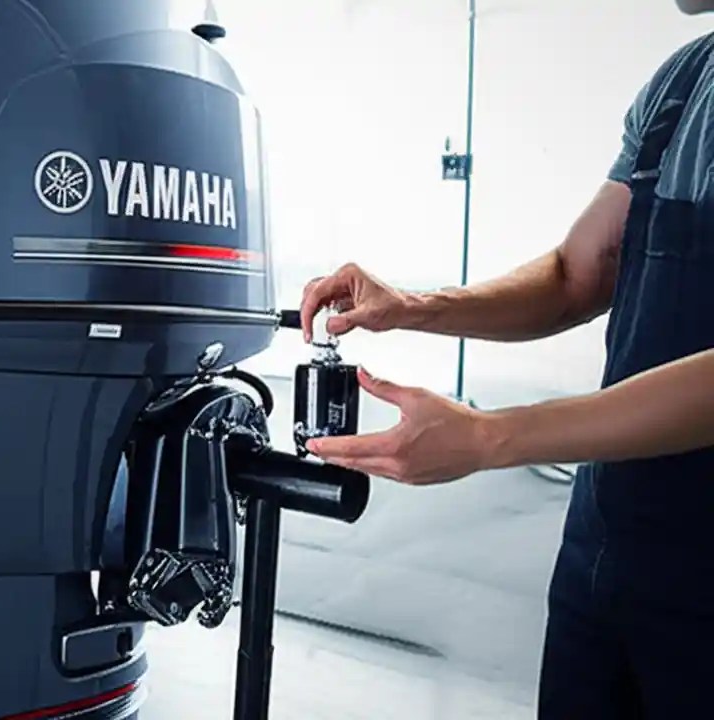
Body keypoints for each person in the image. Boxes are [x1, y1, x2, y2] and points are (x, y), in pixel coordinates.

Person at [298, 3, 714, 718]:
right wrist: (412, 304)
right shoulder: (681, 85)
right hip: (606, 549)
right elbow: (572, 276)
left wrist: (491, 437)